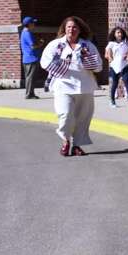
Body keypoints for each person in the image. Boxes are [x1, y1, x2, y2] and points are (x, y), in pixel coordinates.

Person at [40, 16, 102, 157]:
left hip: (85, 87)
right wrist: (60, 64)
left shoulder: (87, 45)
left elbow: (98, 66)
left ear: (79, 30)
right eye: (68, 27)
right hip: (63, 86)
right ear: (64, 29)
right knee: (65, 115)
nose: (71, 30)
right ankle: (65, 139)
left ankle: (76, 145)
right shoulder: (56, 45)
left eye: (74, 27)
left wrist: (87, 59)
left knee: (82, 118)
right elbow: (44, 62)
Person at [104, 26, 128, 108]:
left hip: (124, 64)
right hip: (115, 66)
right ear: (114, 34)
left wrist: (127, 55)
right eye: (118, 33)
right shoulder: (111, 44)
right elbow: (108, 54)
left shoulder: (126, 43)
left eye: (121, 32)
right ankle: (112, 100)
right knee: (115, 83)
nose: (120, 34)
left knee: (126, 80)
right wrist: (109, 58)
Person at [20, 16, 40, 99]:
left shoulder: (23, 32)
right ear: (29, 24)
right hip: (31, 58)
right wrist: (40, 44)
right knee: (30, 78)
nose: (34, 24)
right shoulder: (28, 33)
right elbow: (33, 46)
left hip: (27, 58)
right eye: (33, 23)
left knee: (29, 77)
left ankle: (30, 93)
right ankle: (29, 94)